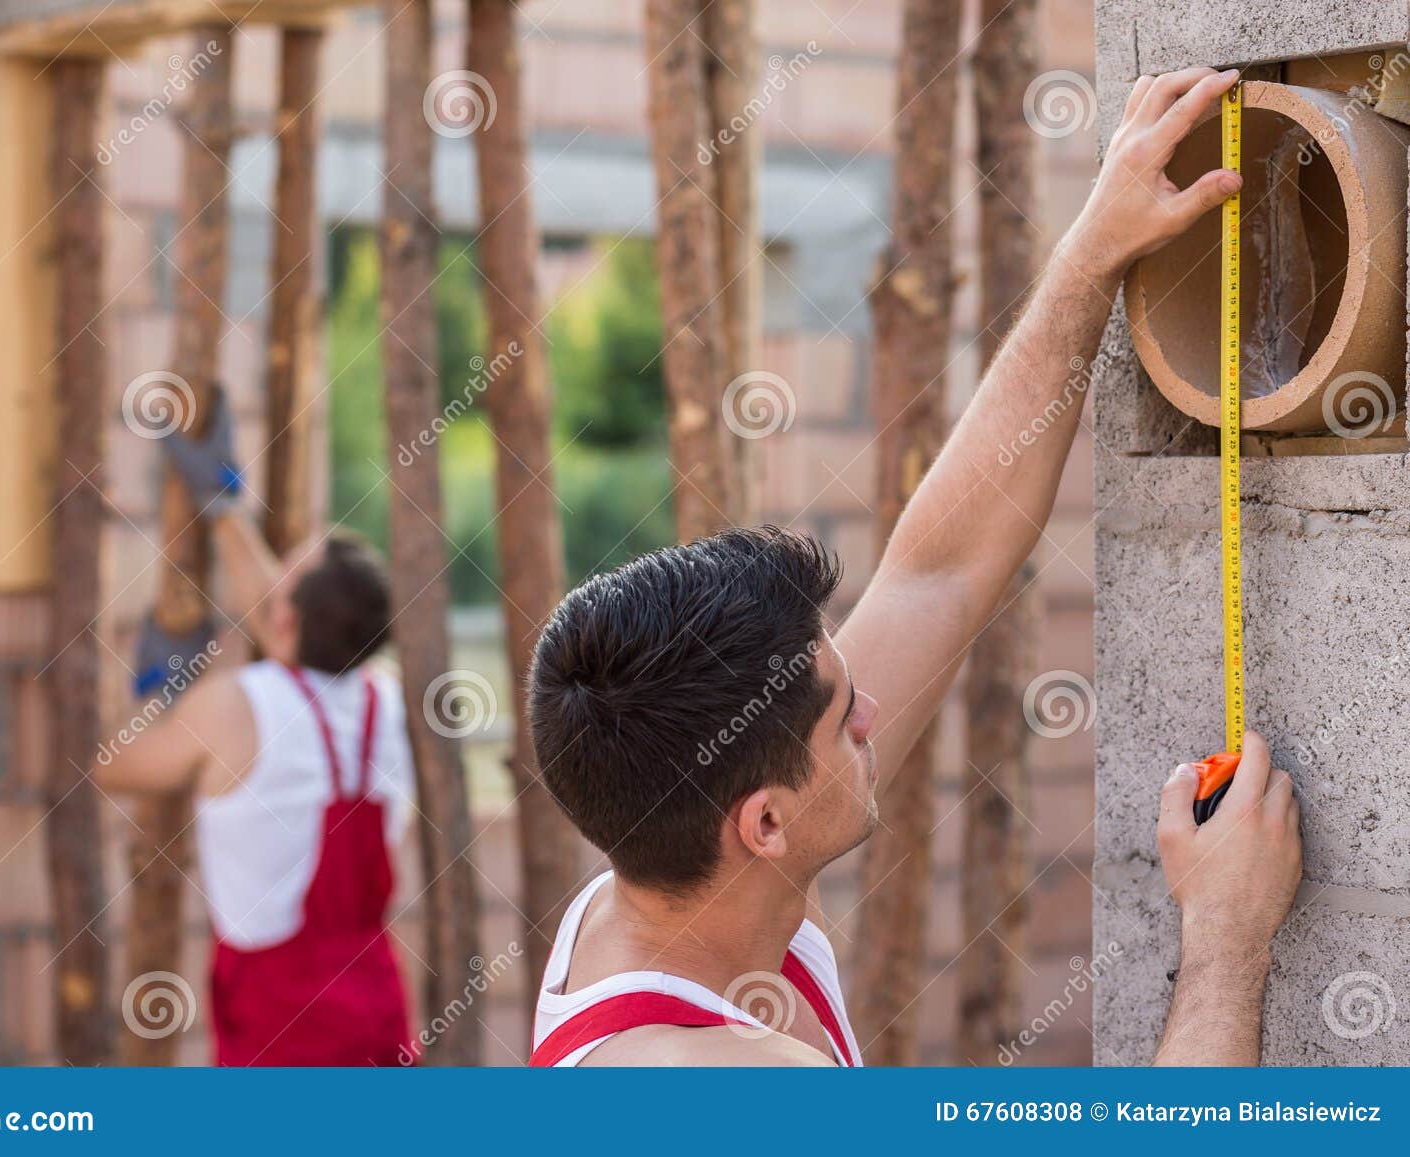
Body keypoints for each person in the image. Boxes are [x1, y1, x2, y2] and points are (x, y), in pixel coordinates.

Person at [525, 66, 1302, 1067]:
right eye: (843, 716)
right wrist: (1227, 935)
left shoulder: (660, 873)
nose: (874, 711)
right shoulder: (700, 1073)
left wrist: (1090, 254)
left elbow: (936, 571)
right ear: (762, 820)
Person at [95, 392, 416, 1067]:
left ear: (286, 620)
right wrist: (224, 509)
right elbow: (286, 619)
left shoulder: (235, 705)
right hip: (377, 1015)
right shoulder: (381, 704)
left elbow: (114, 765)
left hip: (280, 1031)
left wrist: (154, 692)